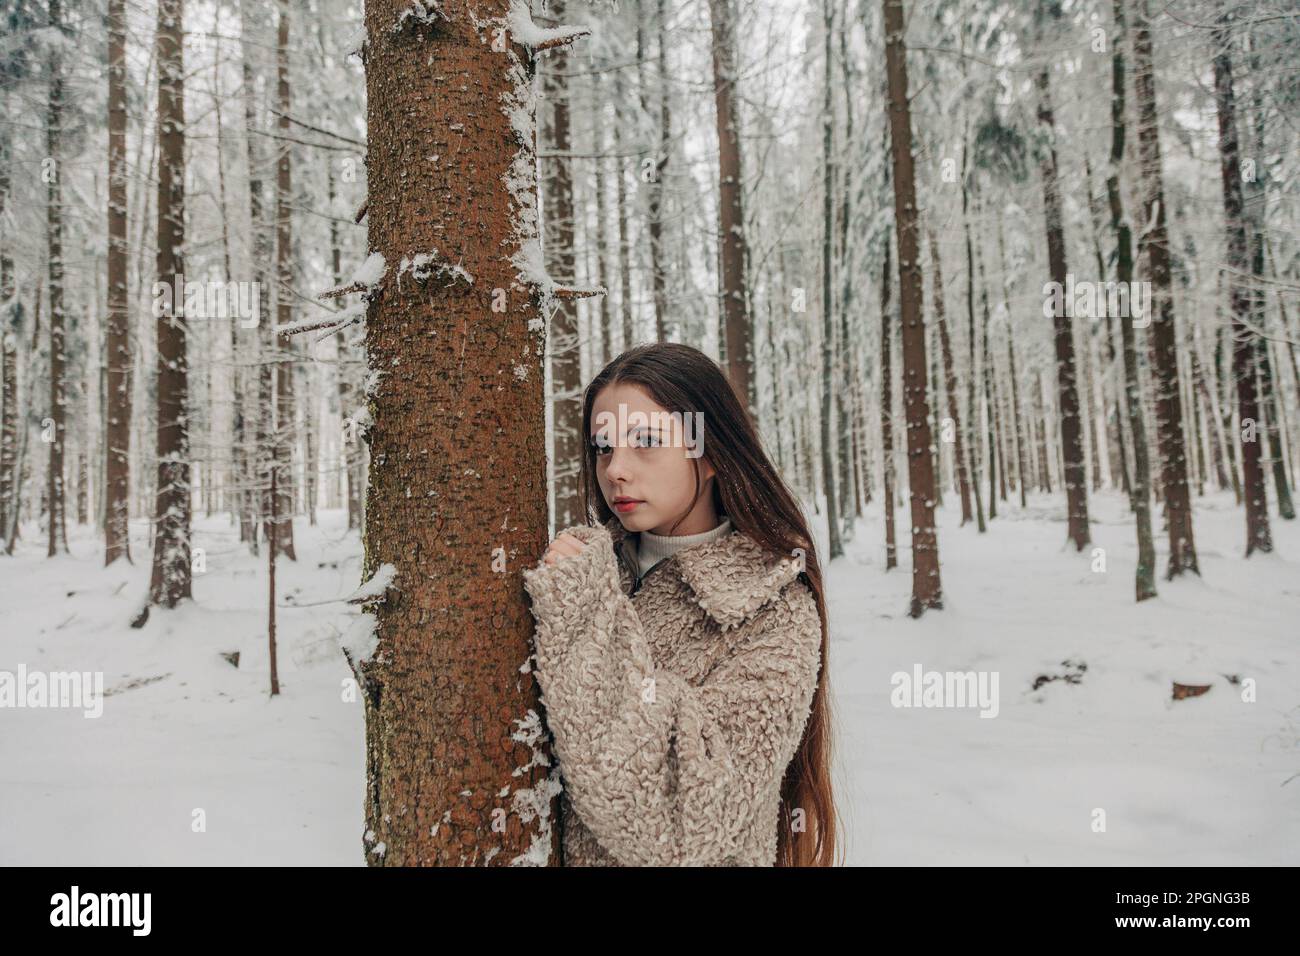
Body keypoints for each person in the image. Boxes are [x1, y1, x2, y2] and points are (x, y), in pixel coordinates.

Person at [522, 342, 839, 866]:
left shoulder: (771, 613)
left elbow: (680, 824)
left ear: (710, 452)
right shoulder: (586, 574)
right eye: (603, 447)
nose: (616, 469)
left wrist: (585, 613)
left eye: (645, 441)